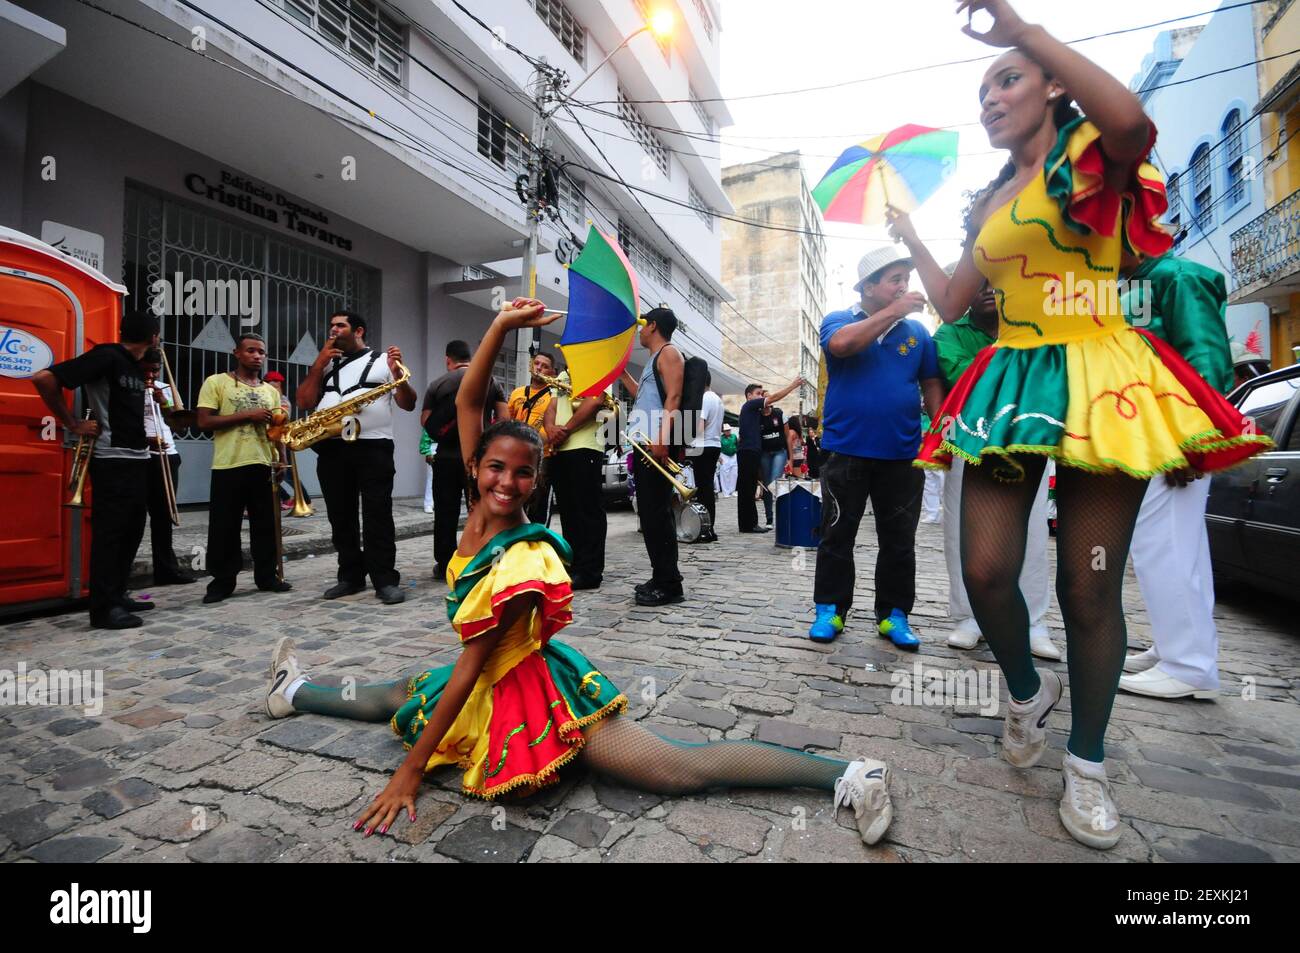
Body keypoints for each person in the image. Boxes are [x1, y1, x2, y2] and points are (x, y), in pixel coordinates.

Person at [261, 297, 894, 847]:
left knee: (676, 769)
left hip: (533, 690)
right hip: (481, 680)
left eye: (524, 474)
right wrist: (502, 327)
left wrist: (407, 776)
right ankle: (293, 690)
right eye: (496, 468)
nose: (507, 482)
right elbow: (472, 397)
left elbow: (472, 669)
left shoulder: (521, 556)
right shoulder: (474, 508)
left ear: (539, 483)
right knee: (397, 693)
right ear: (475, 465)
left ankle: (846, 774)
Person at [891, 0, 1270, 850]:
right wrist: (914, 236)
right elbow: (956, 301)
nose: (990, 97)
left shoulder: (1089, 151)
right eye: (982, 88)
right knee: (987, 571)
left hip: (1103, 377)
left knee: (1088, 582)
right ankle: (1028, 691)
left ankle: (1088, 767)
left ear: (1053, 84)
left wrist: (1021, 27)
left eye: (1008, 81)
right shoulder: (992, 196)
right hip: (1014, 380)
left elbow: (1134, 122)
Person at [808, 247, 944, 650]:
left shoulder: (918, 334)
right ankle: (830, 609)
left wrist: (939, 428)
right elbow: (842, 347)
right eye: (895, 279)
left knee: (899, 540)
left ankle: (894, 614)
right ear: (868, 287)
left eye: (907, 278)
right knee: (836, 534)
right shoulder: (839, 321)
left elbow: (931, 381)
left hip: (903, 454)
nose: (905, 286)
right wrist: (897, 310)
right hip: (844, 450)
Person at [1119, 250, 1234, 701]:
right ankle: (1176, 648)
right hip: (1145, 435)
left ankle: (1189, 666)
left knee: (1166, 545)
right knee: (1166, 547)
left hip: (1174, 436)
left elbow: (1206, 358)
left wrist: (1195, 440)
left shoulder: (1179, 276)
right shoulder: (1136, 280)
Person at [933, 281, 1059, 660]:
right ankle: (969, 617)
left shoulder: (1033, 324)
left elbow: (1043, 377)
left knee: (1033, 531)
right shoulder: (950, 333)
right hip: (967, 442)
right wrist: (1013, 363)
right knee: (960, 532)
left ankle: (1034, 621)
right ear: (966, 290)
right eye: (980, 282)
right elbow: (964, 377)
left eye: (997, 282)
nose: (989, 290)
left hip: (1025, 441)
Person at [32, 311, 160, 629]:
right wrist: (72, 423)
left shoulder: (135, 367)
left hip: (137, 457)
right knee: (111, 533)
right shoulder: (106, 356)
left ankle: (117, 594)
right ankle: (103, 609)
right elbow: (44, 379)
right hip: (111, 457)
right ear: (153, 336)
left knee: (132, 530)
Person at [296, 310, 417, 605]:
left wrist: (399, 375)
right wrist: (318, 365)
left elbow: (409, 403)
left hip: (373, 446)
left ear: (359, 330)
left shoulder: (382, 361)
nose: (333, 330)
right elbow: (303, 402)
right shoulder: (326, 364)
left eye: (340, 325)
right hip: (333, 447)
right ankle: (350, 576)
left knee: (377, 515)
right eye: (332, 325)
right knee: (340, 516)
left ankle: (385, 580)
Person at [195, 333, 293, 604]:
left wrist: (281, 458)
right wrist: (247, 415)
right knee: (224, 526)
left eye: (261, 352)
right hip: (229, 464)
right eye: (250, 351)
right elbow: (204, 421)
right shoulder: (216, 382)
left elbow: (277, 429)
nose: (257, 356)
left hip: (263, 463)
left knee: (266, 525)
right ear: (237, 352)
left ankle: (267, 576)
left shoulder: (270, 391)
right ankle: (222, 581)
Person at [421, 340, 508, 581]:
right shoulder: (491, 382)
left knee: (445, 513)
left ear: (448, 359)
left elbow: (426, 422)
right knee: (479, 509)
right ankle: (481, 559)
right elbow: (504, 419)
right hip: (478, 460)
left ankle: (445, 563)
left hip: (447, 457)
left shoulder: (438, 384)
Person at [620, 308, 687, 605]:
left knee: (657, 514)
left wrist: (662, 439)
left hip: (656, 443)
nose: (639, 330)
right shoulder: (653, 360)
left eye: (642, 325)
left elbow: (673, 397)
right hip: (645, 442)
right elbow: (641, 395)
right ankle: (661, 575)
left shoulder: (669, 353)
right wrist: (620, 370)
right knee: (649, 514)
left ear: (654, 326)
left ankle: (670, 584)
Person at [544, 366, 611, 587]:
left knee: (588, 511)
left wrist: (564, 431)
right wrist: (551, 429)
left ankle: (590, 571)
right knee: (568, 511)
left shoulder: (600, 369)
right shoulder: (562, 376)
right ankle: (573, 565)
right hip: (560, 449)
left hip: (586, 447)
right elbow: (551, 407)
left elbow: (595, 401)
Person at [139, 348, 195, 585]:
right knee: (135, 517)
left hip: (168, 453)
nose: (152, 375)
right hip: (141, 454)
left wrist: (164, 402)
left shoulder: (164, 388)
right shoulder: (131, 388)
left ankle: (166, 570)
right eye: (147, 370)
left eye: (156, 370)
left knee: (164, 516)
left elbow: (180, 425)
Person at [737, 378, 802, 533]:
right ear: (749, 396)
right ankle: (749, 524)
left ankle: (748, 523)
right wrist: (793, 385)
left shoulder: (754, 411)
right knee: (748, 488)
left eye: (761, 394)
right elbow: (774, 398)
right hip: (748, 451)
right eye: (758, 394)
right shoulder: (750, 405)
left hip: (752, 451)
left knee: (749, 488)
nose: (761, 397)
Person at [507, 351, 556, 525]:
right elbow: (507, 421)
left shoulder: (554, 397)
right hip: (516, 456)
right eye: (537, 364)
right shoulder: (517, 393)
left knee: (539, 507)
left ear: (552, 372)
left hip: (543, 458)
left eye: (545, 366)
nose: (539, 368)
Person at [686, 378, 723, 542]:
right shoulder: (717, 399)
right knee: (707, 488)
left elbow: (700, 424)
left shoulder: (705, 398)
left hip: (704, 445)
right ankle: (709, 528)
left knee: (703, 489)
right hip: (714, 444)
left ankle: (705, 529)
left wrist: (691, 446)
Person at [718, 422, 739, 496]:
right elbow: (718, 448)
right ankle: (726, 492)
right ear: (723, 431)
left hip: (733, 456)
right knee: (724, 474)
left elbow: (737, 445)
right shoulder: (720, 438)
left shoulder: (734, 436)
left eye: (729, 430)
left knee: (734, 474)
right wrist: (719, 457)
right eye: (726, 430)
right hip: (724, 456)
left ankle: (732, 491)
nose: (728, 431)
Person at [419, 429, 435, 514]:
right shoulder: (432, 417)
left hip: (448, 447)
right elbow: (427, 431)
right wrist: (427, 451)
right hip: (434, 446)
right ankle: (429, 503)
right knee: (432, 477)